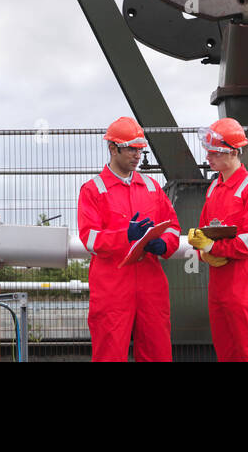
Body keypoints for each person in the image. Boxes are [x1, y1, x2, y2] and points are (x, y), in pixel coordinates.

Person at [77, 116, 182, 362]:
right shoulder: (93, 190)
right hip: (112, 286)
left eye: (140, 150)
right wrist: (125, 236)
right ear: (113, 148)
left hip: (150, 282)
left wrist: (164, 243)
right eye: (131, 149)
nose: (137, 155)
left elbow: (174, 226)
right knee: (110, 352)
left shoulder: (152, 187)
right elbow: (90, 238)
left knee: (157, 351)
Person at [187, 117, 248, 362]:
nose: (208, 157)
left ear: (234, 152)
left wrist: (211, 247)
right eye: (209, 151)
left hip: (246, 290)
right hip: (220, 289)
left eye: (215, 152)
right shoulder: (214, 188)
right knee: (227, 353)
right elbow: (204, 232)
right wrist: (202, 250)